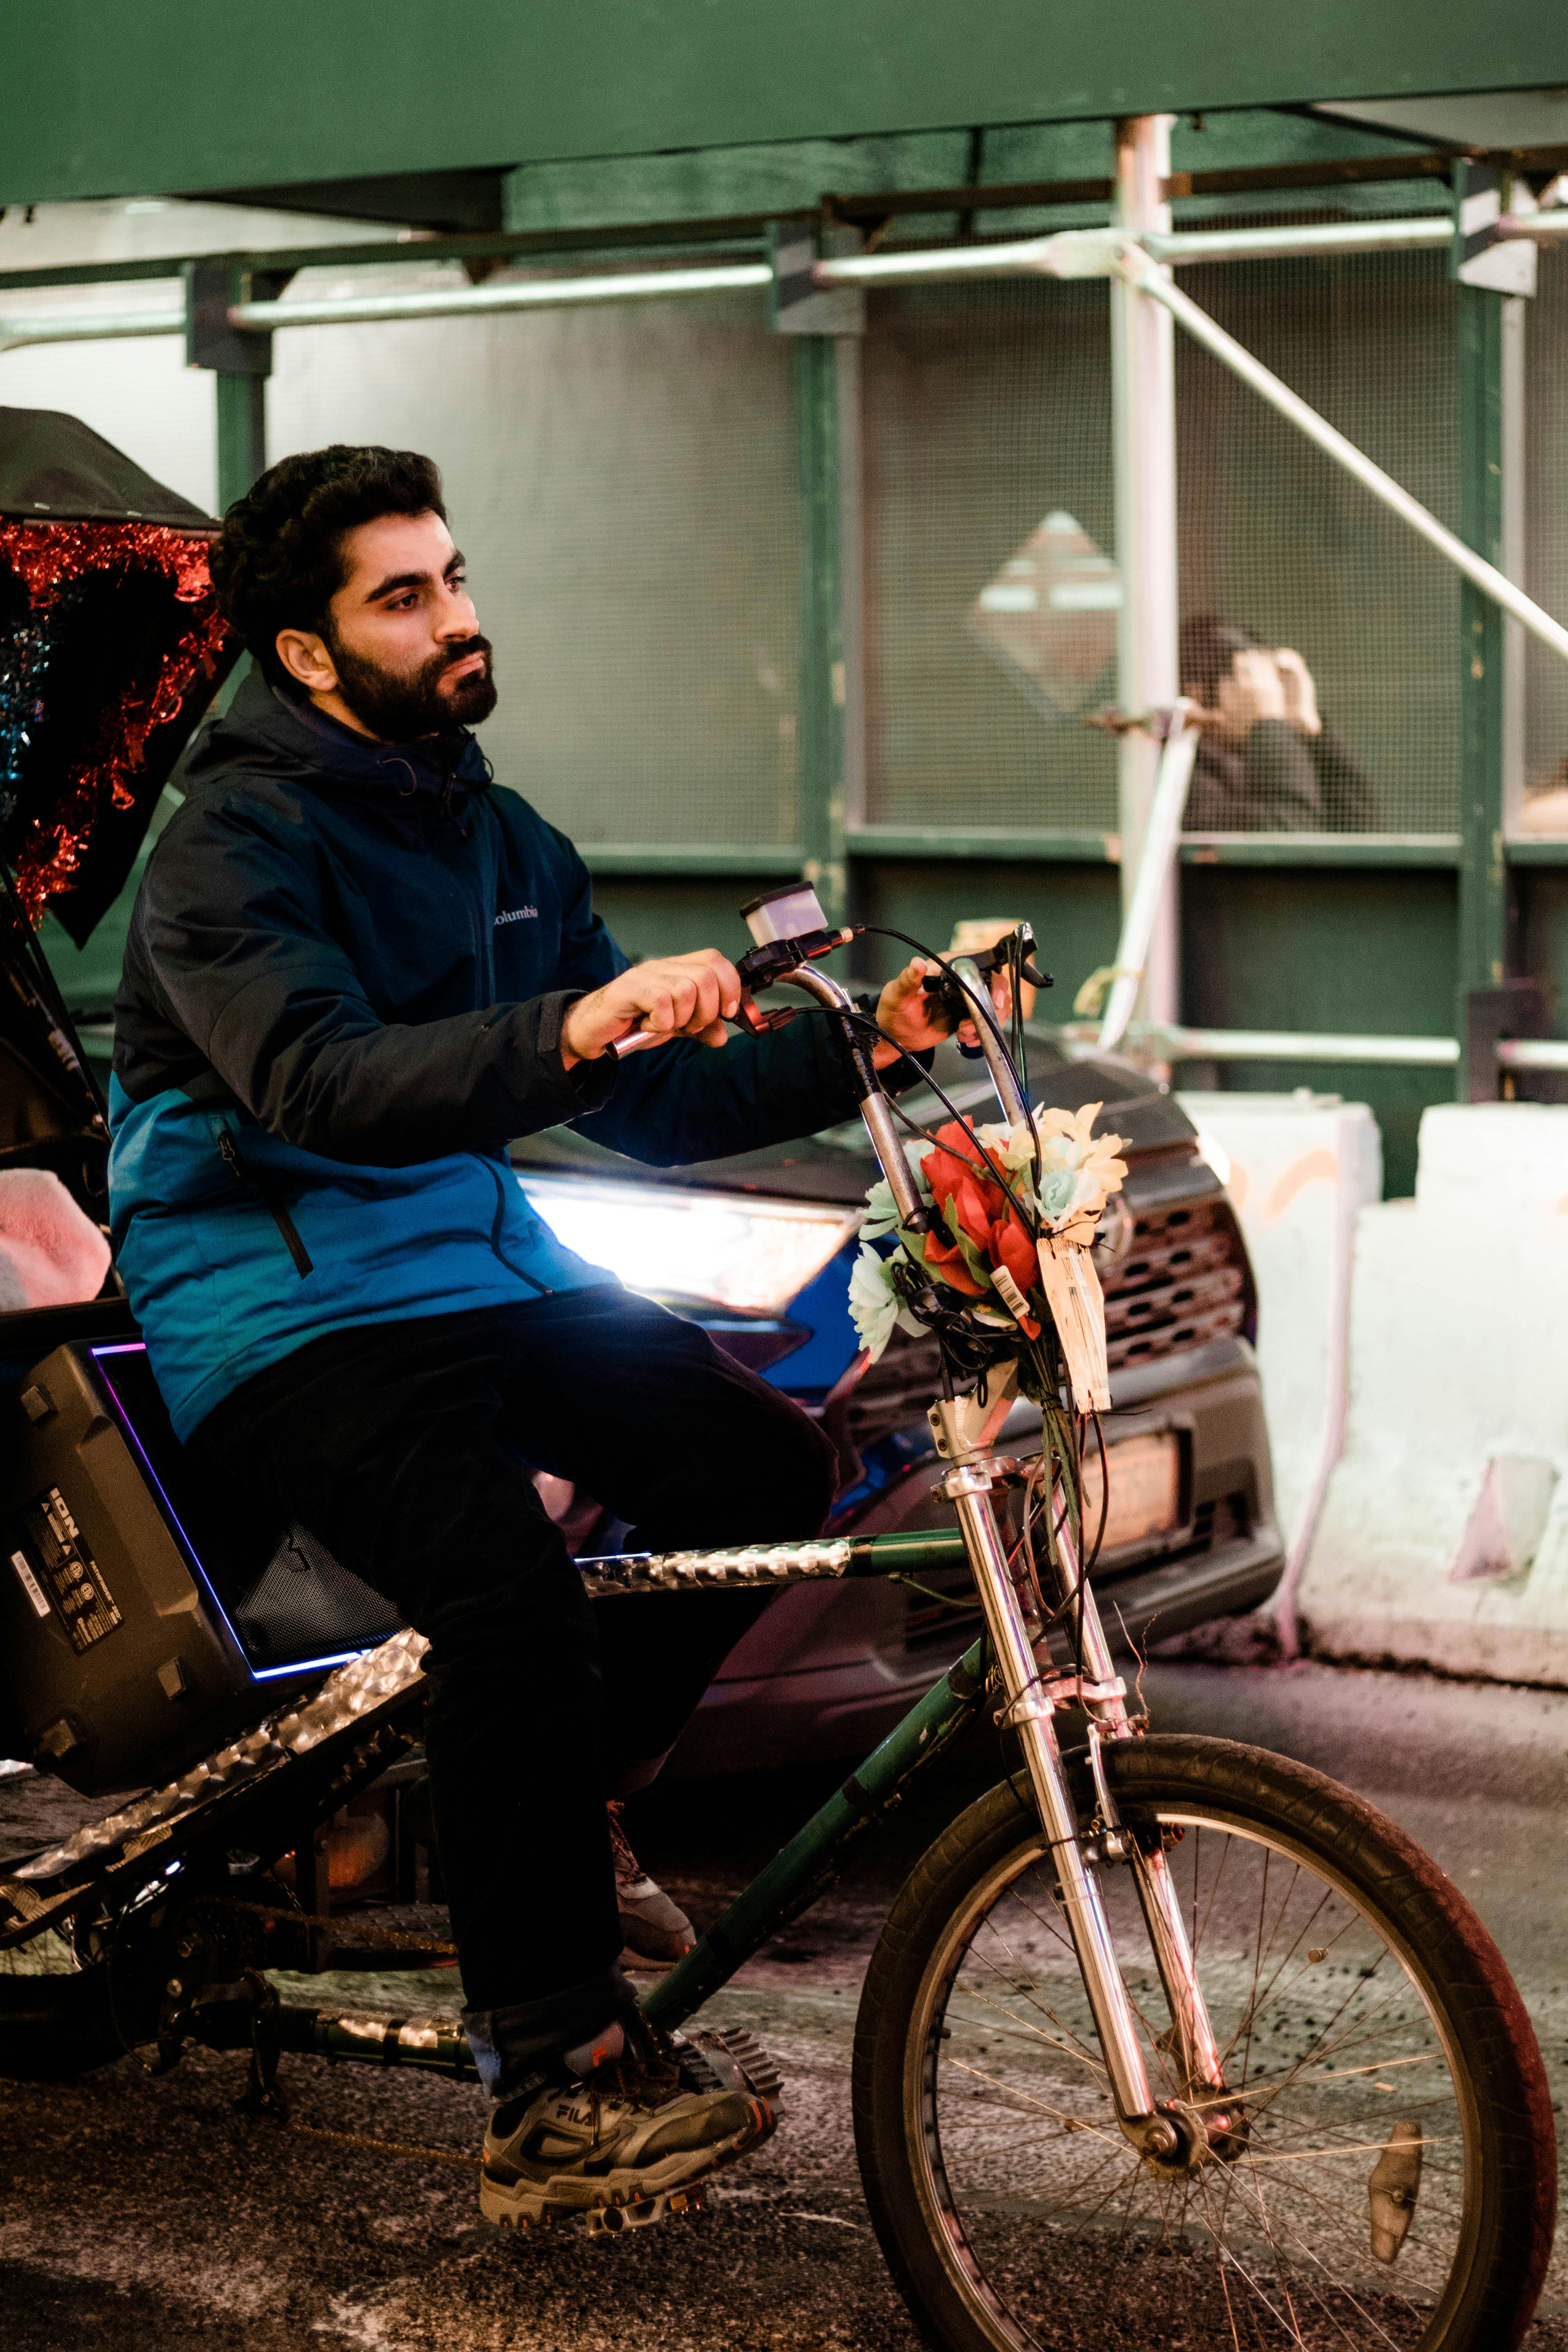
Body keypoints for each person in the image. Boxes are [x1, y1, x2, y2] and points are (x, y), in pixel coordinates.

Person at [107, 445, 993, 2227]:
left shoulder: (500, 836)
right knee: (507, 1598)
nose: (461, 615)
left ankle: (556, 1804)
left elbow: (651, 1110)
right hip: (278, 1310)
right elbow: (322, 1079)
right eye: (404, 593)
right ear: (302, 652)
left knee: (759, 1459)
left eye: (456, 574)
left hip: (477, 1273)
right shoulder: (224, 852)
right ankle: (550, 2084)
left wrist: (872, 1039)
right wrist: (579, 1021)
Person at [1179, 614, 1377, 833]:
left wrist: (1312, 732)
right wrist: (1268, 724)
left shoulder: (1253, 758)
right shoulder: (1185, 777)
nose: (1270, 696)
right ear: (1196, 693)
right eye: (1250, 681)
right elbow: (1292, 843)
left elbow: (1362, 842)